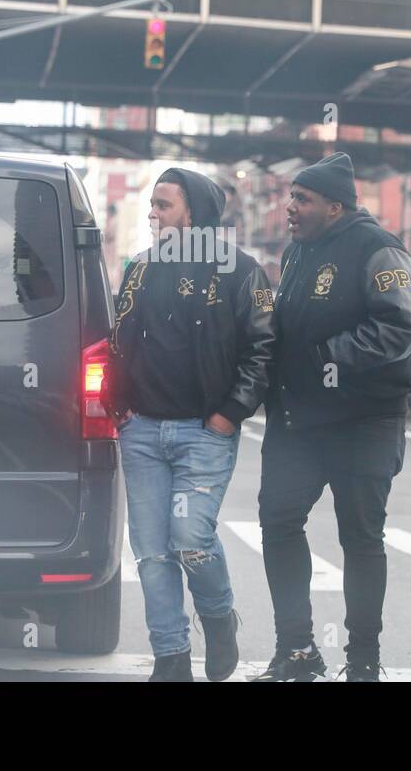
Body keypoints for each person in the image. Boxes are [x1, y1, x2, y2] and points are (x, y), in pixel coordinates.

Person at [252, 152, 411, 682]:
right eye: (290, 197)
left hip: (364, 421)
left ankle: (364, 660)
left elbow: (403, 324)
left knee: (361, 537)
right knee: (278, 523)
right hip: (298, 422)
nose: (290, 207)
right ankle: (297, 651)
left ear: (335, 207)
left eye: (302, 199)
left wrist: (328, 357)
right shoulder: (296, 253)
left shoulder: (376, 248)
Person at [106, 168, 275, 682]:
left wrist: (229, 414)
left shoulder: (242, 271)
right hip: (141, 431)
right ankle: (171, 658)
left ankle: (219, 620)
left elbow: (263, 348)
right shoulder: (140, 268)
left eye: (164, 205)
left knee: (191, 540)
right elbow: (116, 340)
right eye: (152, 204)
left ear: (194, 214)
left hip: (204, 432)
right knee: (152, 553)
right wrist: (117, 402)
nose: (152, 214)